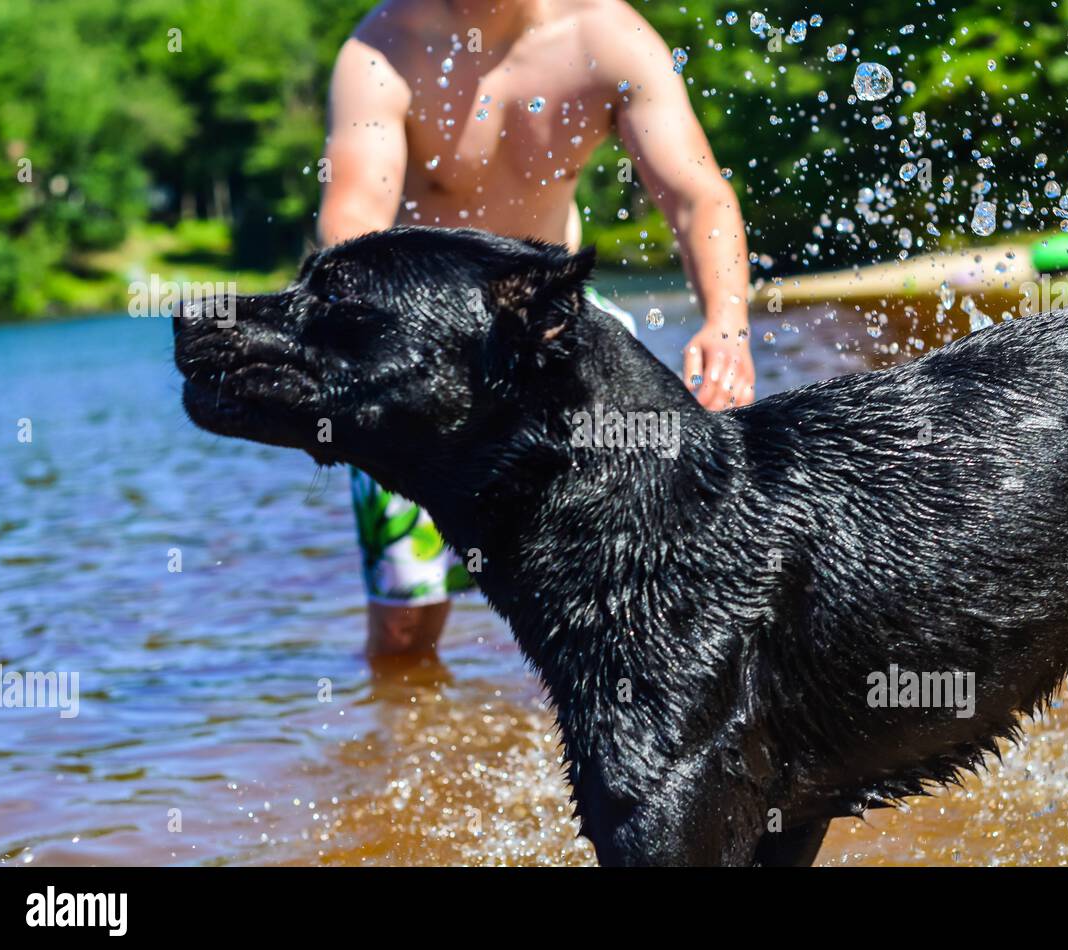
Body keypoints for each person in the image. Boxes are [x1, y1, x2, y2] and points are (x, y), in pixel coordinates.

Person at [317, 0, 755, 659]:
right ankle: (407, 750)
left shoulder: (608, 36)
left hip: (563, 331)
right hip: (421, 351)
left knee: (621, 591)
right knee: (407, 628)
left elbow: (697, 196)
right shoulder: (382, 53)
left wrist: (727, 321)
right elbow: (352, 221)